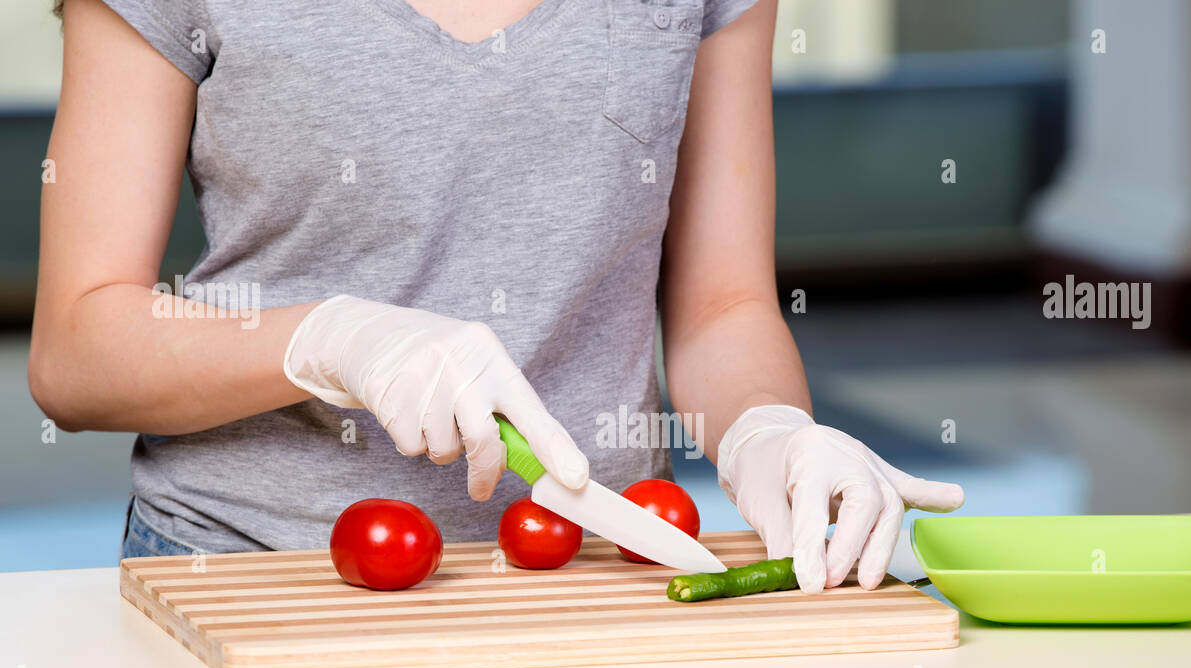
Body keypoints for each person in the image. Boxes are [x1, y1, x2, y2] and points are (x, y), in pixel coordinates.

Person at [30, 0, 963, 593]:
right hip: (253, 573)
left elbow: (722, 305)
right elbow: (77, 350)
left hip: (598, 576)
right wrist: (326, 338)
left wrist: (768, 431)